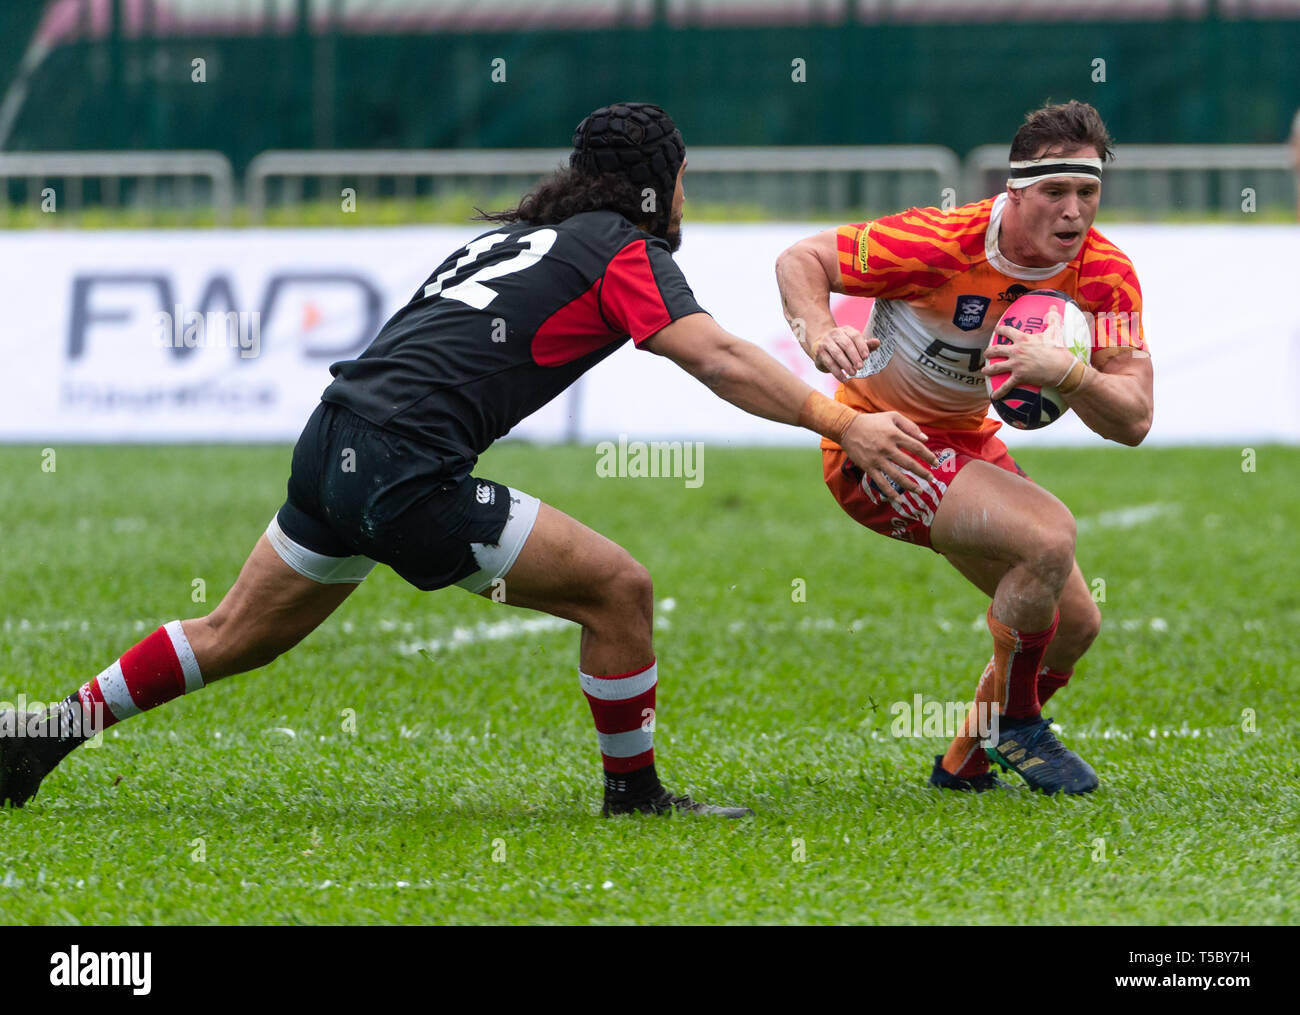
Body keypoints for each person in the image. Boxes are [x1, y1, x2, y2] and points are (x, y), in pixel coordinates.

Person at [1, 102, 935, 814]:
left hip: (331, 440)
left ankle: (44, 733)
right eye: (682, 181)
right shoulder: (622, 247)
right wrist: (842, 422)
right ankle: (635, 795)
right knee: (621, 591)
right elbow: (717, 356)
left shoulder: (511, 236)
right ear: (665, 182)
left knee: (235, 631)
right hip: (405, 467)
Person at [775, 100, 1153, 795]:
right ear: (1013, 191)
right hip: (880, 447)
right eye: (1055, 191)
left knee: (1074, 623)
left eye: (1088, 192)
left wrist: (1069, 372)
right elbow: (802, 258)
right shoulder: (937, 243)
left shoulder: (1104, 274)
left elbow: (1133, 419)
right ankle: (1016, 720)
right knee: (1048, 537)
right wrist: (818, 330)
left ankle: (964, 766)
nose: (1074, 211)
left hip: (967, 445)